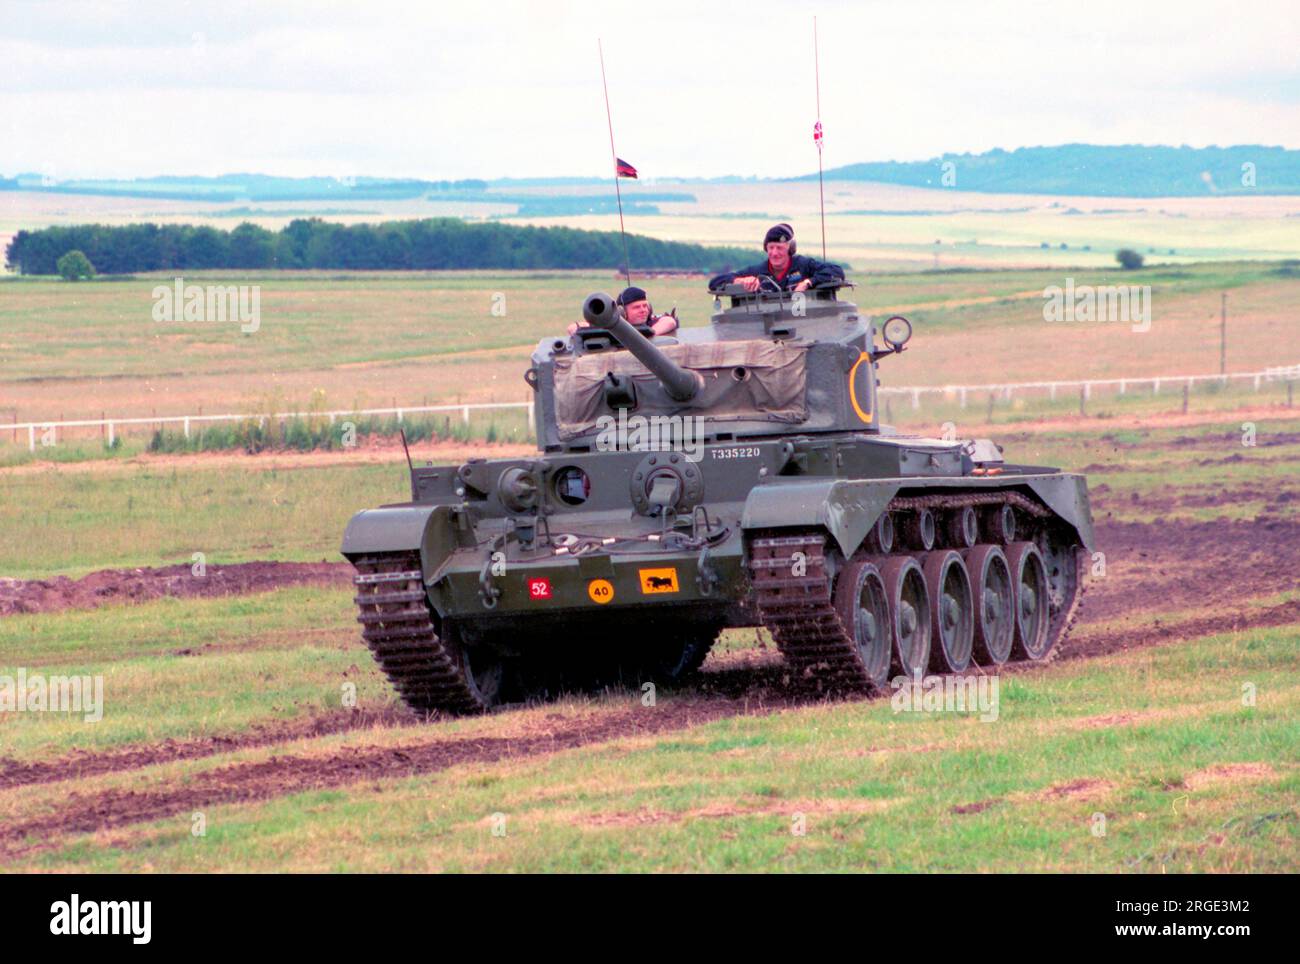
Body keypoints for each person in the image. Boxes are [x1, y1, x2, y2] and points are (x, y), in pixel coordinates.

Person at [708, 223, 845, 293]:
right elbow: (715, 282)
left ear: (789, 248)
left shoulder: (803, 265)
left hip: (804, 320)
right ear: (766, 248)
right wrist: (740, 280)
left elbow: (837, 271)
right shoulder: (758, 271)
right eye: (771, 248)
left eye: (779, 248)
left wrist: (809, 282)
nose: (774, 253)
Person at [568, 286, 679, 336]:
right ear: (622, 311)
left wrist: (648, 333)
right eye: (636, 307)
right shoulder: (612, 325)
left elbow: (670, 321)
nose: (643, 310)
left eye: (645, 306)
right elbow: (572, 328)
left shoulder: (651, 323)